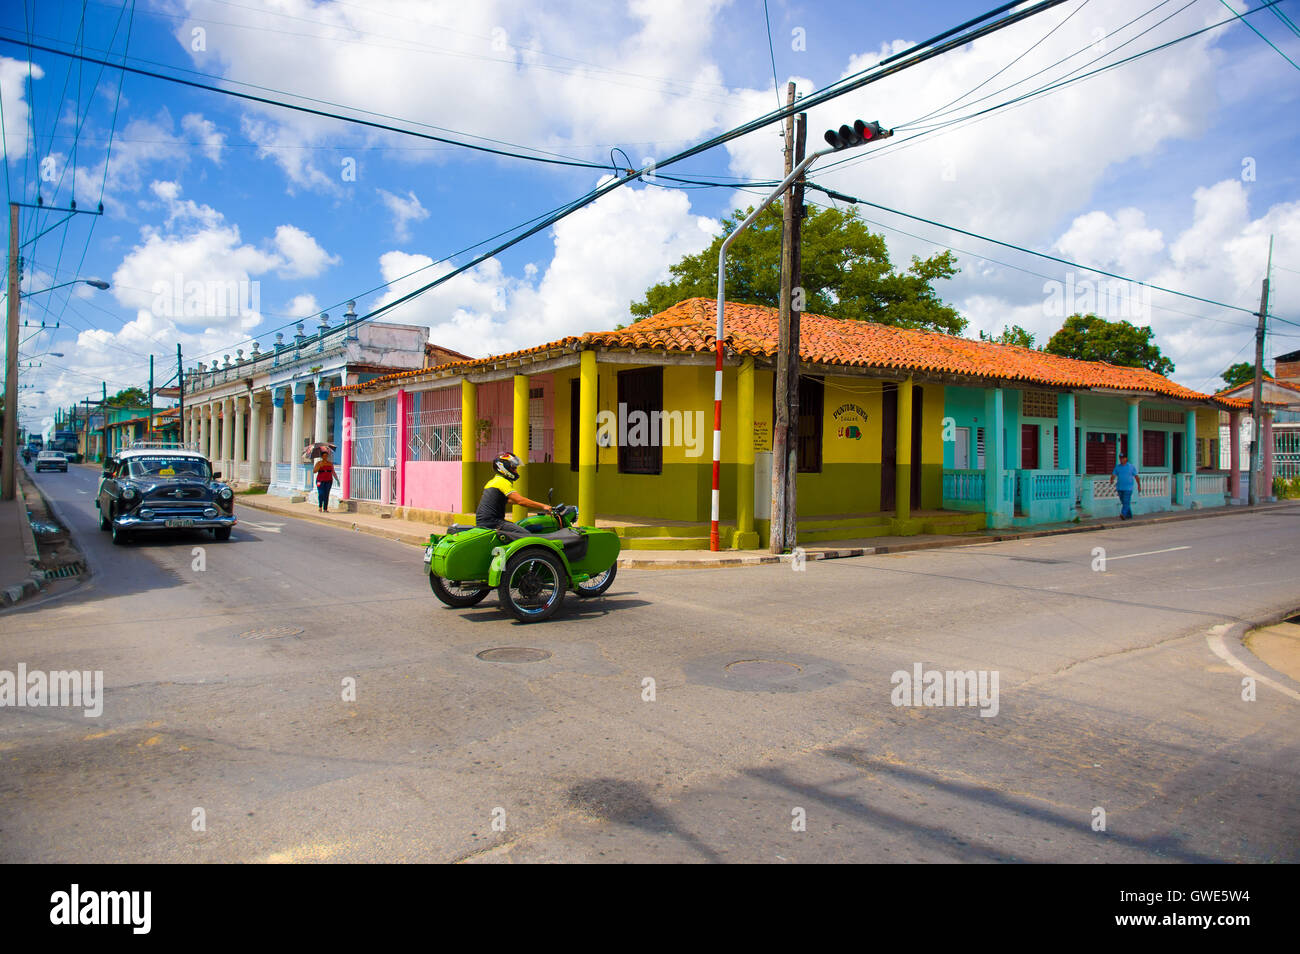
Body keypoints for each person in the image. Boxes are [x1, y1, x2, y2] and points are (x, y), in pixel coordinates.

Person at [476, 452, 551, 534]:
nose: (516, 470)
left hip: (485, 521)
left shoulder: (493, 481)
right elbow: (520, 501)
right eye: (513, 468)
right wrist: (544, 506)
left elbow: (507, 500)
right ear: (504, 468)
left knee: (519, 527)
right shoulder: (502, 482)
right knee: (526, 535)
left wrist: (531, 503)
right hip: (494, 522)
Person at [1110, 452, 1141, 520]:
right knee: (1124, 502)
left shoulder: (1131, 467)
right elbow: (1113, 475)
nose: (1121, 460)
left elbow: (1136, 476)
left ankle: (1123, 514)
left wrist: (1139, 485)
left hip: (1128, 488)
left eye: (1122, 458)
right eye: (1120, 458)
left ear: (1126, 459)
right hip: (1120, 488)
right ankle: (1129, 515)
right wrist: (1111, 480)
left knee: (1126, 501)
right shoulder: (1117, 467)